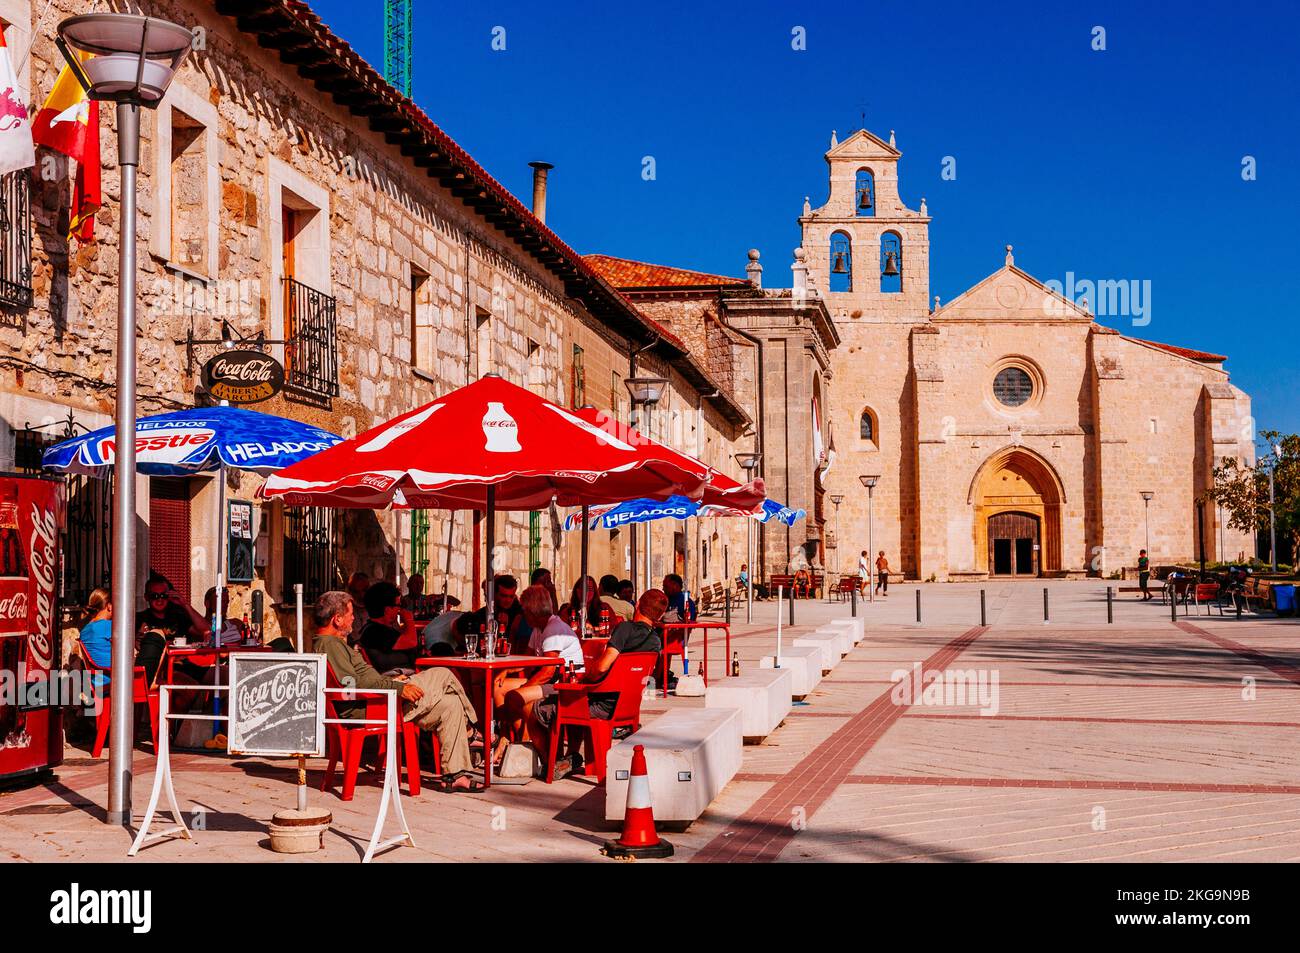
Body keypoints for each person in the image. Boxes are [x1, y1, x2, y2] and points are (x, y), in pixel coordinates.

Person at [313, 590, 484, 792]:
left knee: (451, 705)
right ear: (337, 619)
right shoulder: (330, 645)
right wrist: (399, 687)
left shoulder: (333, 644)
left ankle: (454, 775)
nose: (354, 617)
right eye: (350, 613)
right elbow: (351, 685)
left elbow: (359, 680)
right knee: (444, 674)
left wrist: (391, 681)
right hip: (374, 705)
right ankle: (474, 731)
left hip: (382, 697)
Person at [527, 589, 668, 774]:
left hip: (601, 704)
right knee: (574, 698)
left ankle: (550, 762)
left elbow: (602, 667)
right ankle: (572, 757)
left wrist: (584, 678)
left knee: (538, 708)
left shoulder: (625, 629)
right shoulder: (656, 641)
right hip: (627, 705)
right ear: (659, 615)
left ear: (638, 605)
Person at [500, 585, 584, 757]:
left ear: (532, 611)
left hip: (563, 684)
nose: (523, 614)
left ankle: (538, 751)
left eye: (524, 610)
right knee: (498, 687)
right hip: (552, 681)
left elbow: (548, 671)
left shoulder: (553, 630)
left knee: (514, 697)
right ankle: (520, 738)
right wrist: (507, 670)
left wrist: (523, 689)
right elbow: (528, 659)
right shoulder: (539, 628)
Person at [360, 581, 421, 673]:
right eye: (398, 605)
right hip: (398, 678)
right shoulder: (375, 632)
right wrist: (409, 619)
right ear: (387, 610)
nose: (400, 609)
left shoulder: (376, 629)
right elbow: (411, 642)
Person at [455, 574, 524, 652]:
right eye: (503, 596)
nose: (508, 600)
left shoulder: (521, 614)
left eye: (511, 596)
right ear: (494, 594)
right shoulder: (481, 614)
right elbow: (455, 626)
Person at [138, 576, 206, 643]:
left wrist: (185, 604)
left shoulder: (178, 618)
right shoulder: (139, 619)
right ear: (146, 597)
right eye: (154, 596)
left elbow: (206, 631)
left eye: (163, 595)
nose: (159, 599)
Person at [346, 571, 370, 642]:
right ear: (350, 591)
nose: (362, 595)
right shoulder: (346, 610)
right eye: (356, 592)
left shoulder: (376, 607)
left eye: (365, 590)